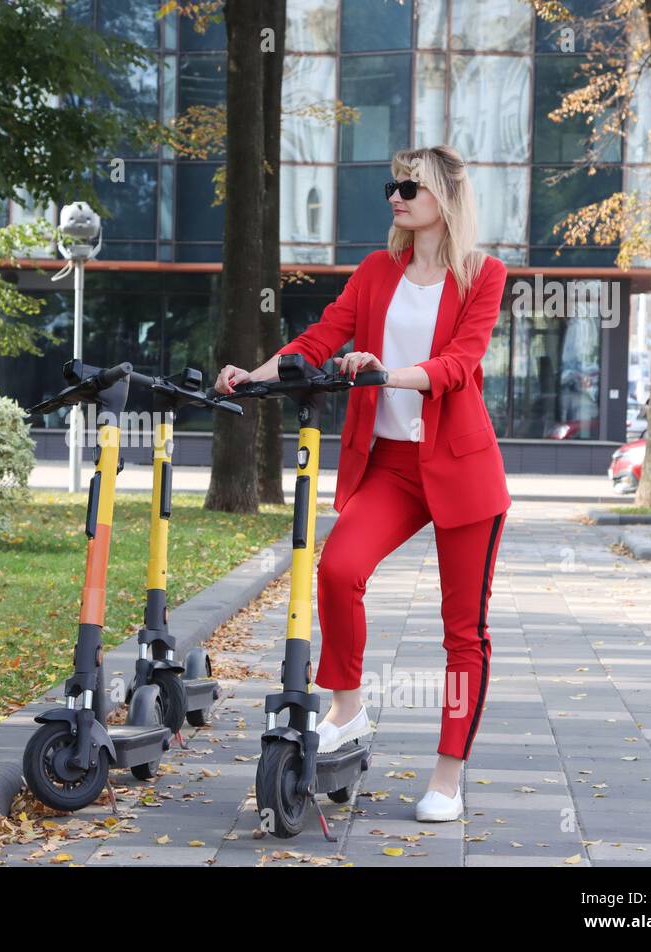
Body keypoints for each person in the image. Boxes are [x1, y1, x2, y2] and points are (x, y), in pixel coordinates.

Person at [215, 145, 510, 823]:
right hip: (390, 467)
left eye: (411, 186)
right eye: (392, 185)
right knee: (338, 568)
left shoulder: (482, 275)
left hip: (462, 471)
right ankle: (345, 708)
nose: (396, 196)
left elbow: (460, 364)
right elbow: (321, 337)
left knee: (463, 633)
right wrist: (255, 376)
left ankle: (447, 775)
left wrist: (385, 372)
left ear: (445, 197)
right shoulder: (378, 271)